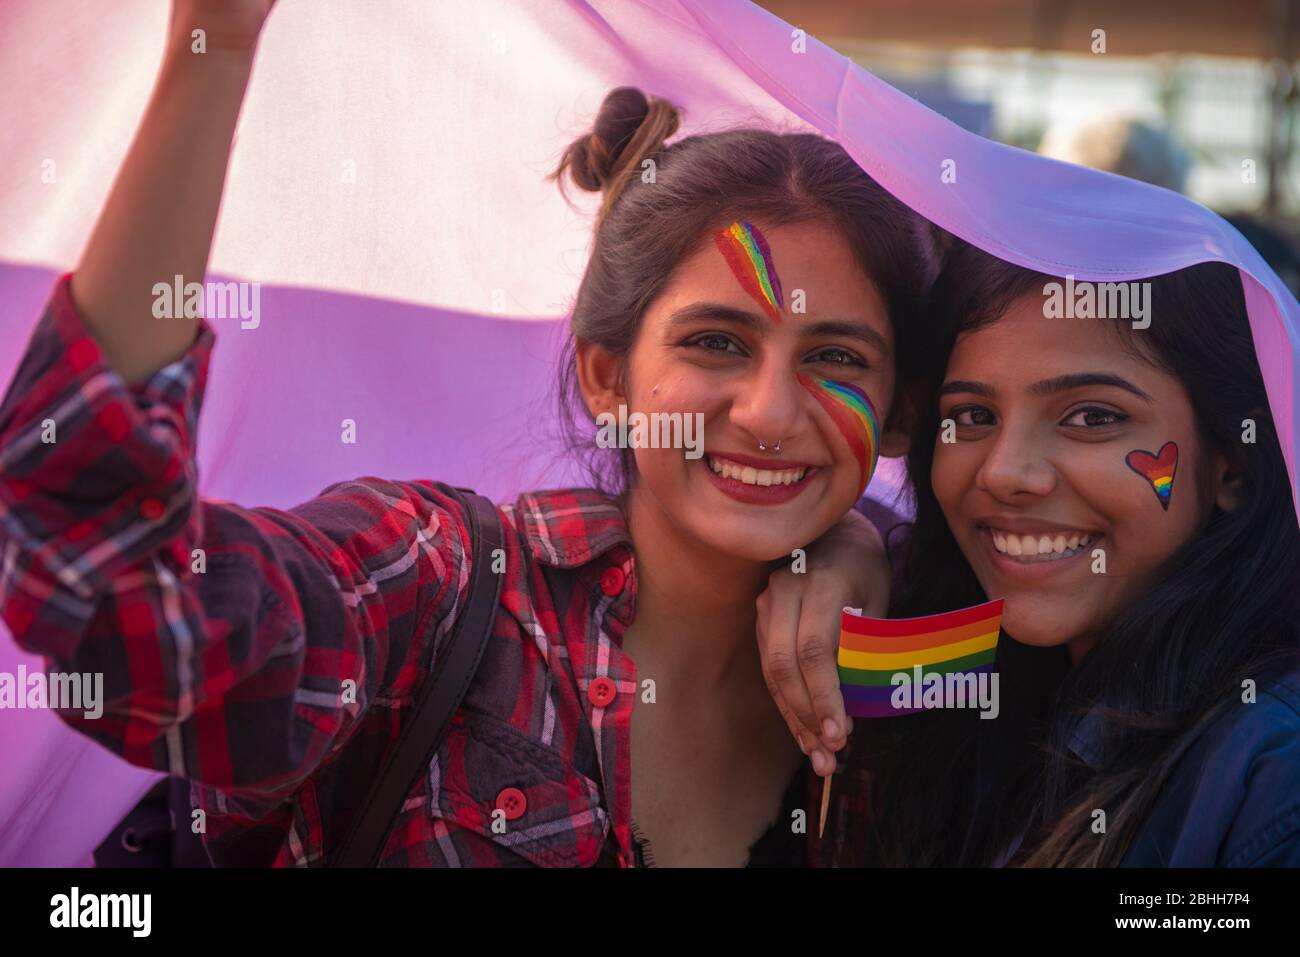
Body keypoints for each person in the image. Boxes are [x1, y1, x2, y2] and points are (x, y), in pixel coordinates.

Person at [0, 0, 940, 867]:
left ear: (900, 409)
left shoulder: (909, 667)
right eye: (716, 342)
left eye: (837, 359)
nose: (770, 413)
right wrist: (214, 51)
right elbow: (109, 585)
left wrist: (871, 557)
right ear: (606, 376)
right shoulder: (438, 583)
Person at [826, 240, 1300, 866]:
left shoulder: (1275, 769)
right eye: (971, 415)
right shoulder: (953, 684)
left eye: (1093, 416)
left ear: (1233, 465)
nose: (1004, 473)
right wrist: (831, 554)